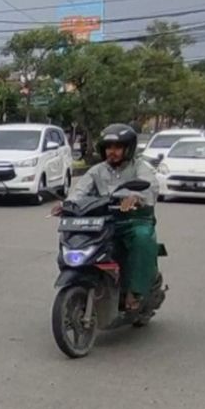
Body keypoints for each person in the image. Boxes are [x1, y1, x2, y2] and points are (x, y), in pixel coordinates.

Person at [52, 123, 159, 312]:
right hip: (104, 221)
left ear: (128, 148)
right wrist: (66, 205)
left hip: (134, 220)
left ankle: (136, 292)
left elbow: (150, 187)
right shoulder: (97, 170)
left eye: (117, 147)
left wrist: (136, 197)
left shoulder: (140, 168)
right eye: (109, 147)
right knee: (75, 237)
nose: (112, 152)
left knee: (142, 238)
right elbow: (79, 191)